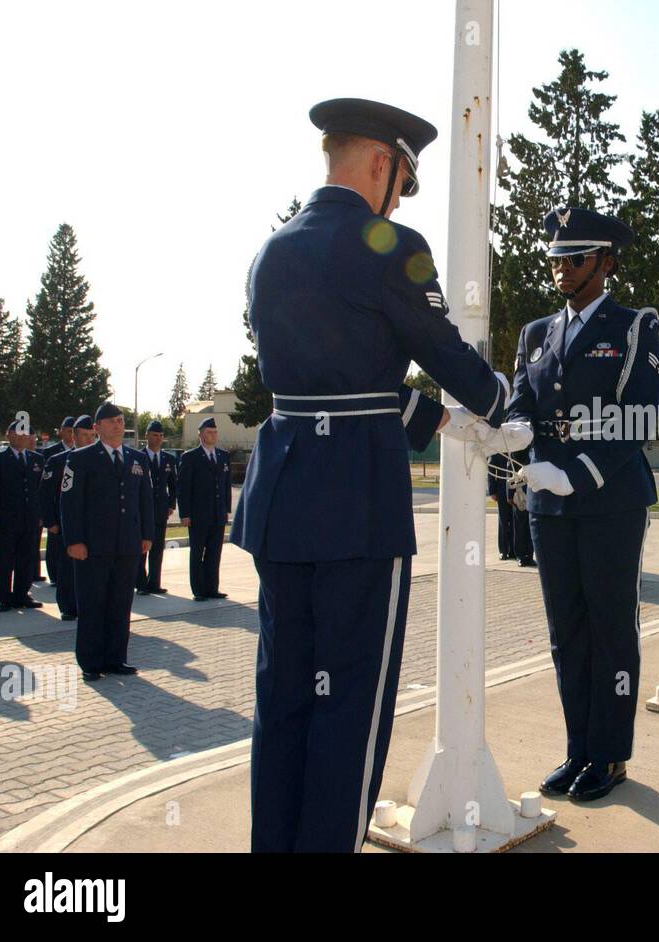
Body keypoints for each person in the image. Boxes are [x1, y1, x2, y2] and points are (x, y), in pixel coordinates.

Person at [232, 97, 524, 853]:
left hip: (282, 497)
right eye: (401, 179)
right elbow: (448, 356)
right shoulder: (388, 244)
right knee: (351, 709)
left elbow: (336, 373)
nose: (400, 198)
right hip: (355, 503)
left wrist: (424, 413)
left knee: (285, 699)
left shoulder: (271, 252)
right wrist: (498, 402)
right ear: (379, 164)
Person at [509, 207, 659, 802]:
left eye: (574, 259)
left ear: (606, 263)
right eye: (556, 258)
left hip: (610, 500)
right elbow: (522, 404)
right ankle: (578, 748)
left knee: (611, 628)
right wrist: (512, 437)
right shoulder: (536, 333)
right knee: (566, 631)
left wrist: (578, 474)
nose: (561, 269)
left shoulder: (634, 326)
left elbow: (640, 417)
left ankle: (611, 754)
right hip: (550, 504)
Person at [60, 403, 154, 681]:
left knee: (120, 603)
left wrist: (146, 534)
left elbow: (144, 499)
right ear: (97, 427)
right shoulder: (80, 459)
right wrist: (74, 540)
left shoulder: (137, 459)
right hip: (93, 547)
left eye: (121, 420)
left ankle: (116, 658)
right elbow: (70, 503)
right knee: (92, 604)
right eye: (111, 421)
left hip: (127, 545)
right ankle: (91, 662)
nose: (117, 425)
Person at [0, 420, 45, 611]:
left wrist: (41, 514)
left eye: (26, 433)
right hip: (6, 519)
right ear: (8, 435)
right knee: (5, 559)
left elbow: (40, 490)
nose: (23, 437)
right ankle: (4, 597)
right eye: (18, 433)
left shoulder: (36, 459)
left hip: (29, 518)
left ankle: (22, 594)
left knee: (26, 558)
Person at [41, 416, 94, 620]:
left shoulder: (99, 461)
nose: (89, 440)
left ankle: (87, 606)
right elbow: (45, 495)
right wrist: (51, 522)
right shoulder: (59, 461)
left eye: (92, 435)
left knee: (90, 570)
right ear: (74, 436)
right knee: (67, 569)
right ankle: (68, 607)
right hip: (66, 525)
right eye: (84, 435)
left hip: (92, 527)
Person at [178, 417, 231, 601]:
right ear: (200, 435)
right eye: (209, 432)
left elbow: (225, 485)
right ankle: (198, 589)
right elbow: (184, 488)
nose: (213, 435)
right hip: (198, 514)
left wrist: (226, 509)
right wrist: (184, 514)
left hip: (217, 513)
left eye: (215, 432)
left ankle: (212, 588)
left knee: (214, 553)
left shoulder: (223, 456)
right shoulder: (190, 457)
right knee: (197, 552)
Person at [137, 420, 177, 595]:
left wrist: (171, 504)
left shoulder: (169, 459)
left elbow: (173, 484)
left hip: (160, 509)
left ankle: (155, 582)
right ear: (146, 436)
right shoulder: (137, 457)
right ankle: (141, 583)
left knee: (157, 548)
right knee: (141, 547)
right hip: (142, 510)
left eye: (161, 436)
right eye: (154, 435)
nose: (158, 438)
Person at [39, 416, 74, 586]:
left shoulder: (87, 453)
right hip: (56, 508)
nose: (72, 435)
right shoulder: (52, 454)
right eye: (69, 431)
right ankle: (54, 575)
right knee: (55, 547)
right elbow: (45, 489)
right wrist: (49, 517)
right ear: (61, 431)